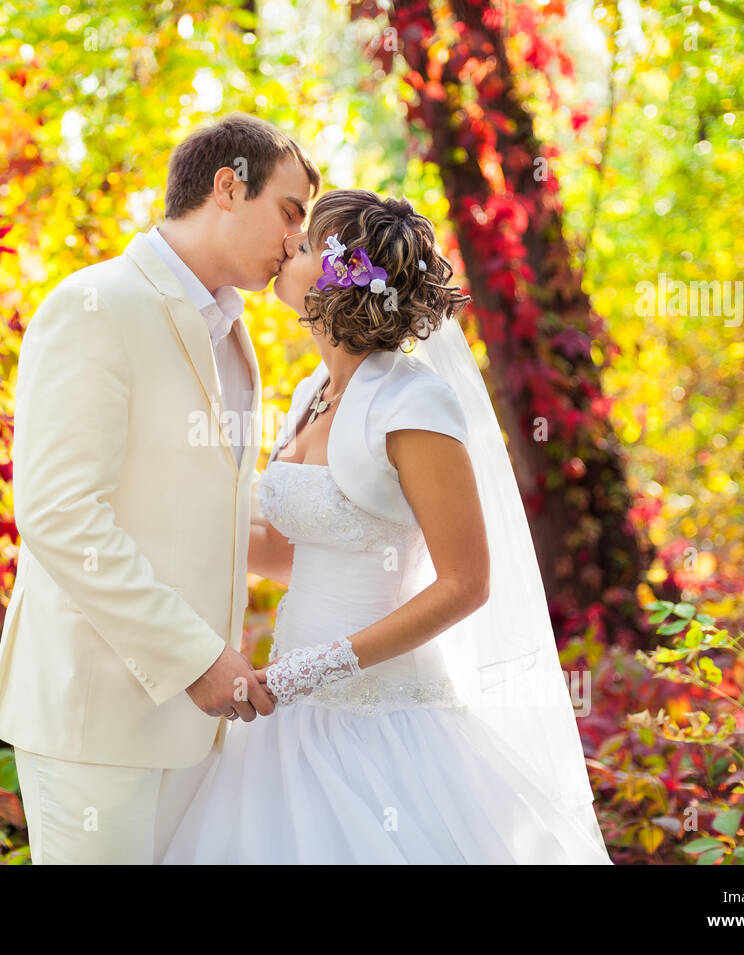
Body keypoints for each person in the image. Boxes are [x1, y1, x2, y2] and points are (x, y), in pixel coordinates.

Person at [162, 189, 613, 864]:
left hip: (384, 717)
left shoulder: (414, 403)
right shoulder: (310, 394)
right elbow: (290, 556)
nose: (290, 244)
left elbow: (466, 582)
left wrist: (322, 664)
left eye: (309, 242)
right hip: (286, 708)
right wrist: (171, 530)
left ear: (344, 279)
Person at [0, 114, 321, 864]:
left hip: (199, 730)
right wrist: (196, 656)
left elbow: (213, 514)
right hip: (96, 720)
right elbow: (60, 515)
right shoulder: (93, 305)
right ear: (228, 187)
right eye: (290, 212)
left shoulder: (236, 336)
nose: (298, 242)